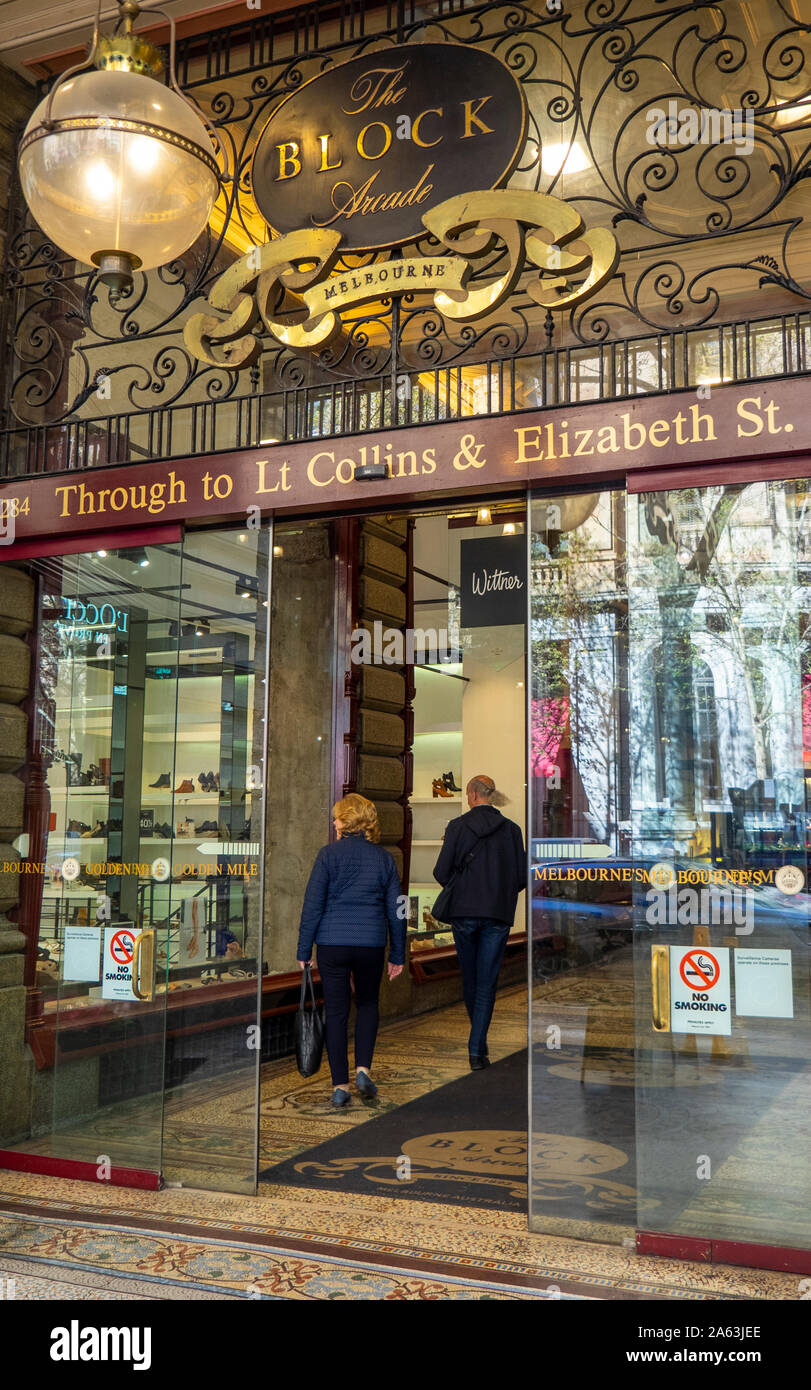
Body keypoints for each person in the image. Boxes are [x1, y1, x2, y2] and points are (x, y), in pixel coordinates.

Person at [297, 793, 405, 1107]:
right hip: (370, 943)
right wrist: (398, 953)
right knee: (369, 1004)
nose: (334, 822)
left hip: (332, 943)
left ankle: (340, 1086)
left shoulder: (328, 855)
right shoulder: (384, 859)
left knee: (337, 1011)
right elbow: (397, 910)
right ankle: (363, 1069)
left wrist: (304, 949)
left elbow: (312, 906)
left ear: (349, 821)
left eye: (338, 818)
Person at [432, 773, 526, 1070]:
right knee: (487, 981)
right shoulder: (512, 831)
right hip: (497, 914)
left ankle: (477, 1044)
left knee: (470, 979)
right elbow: (521, 878)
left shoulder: (457, 827)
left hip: (463, 913)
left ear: (472, 795)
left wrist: (463, 888)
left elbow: (440, 872)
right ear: (489, 795)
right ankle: (477, 1047)